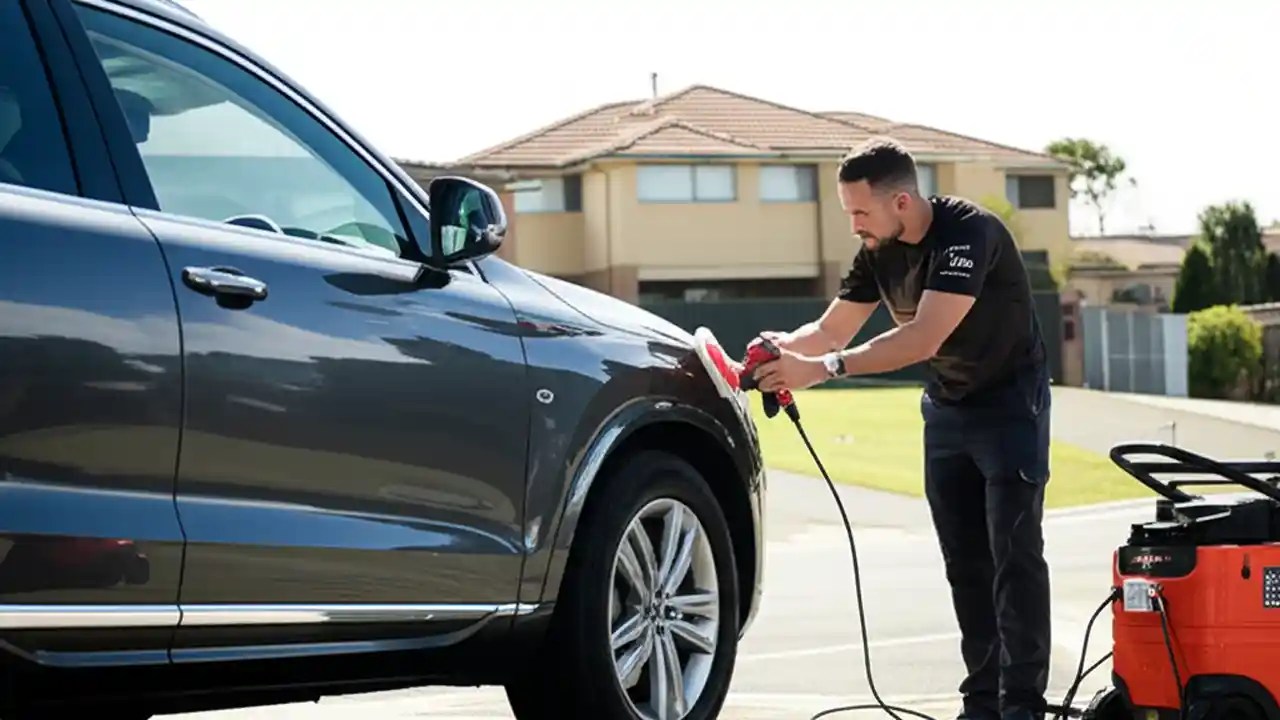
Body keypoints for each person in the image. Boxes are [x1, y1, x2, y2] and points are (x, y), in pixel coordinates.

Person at [751, 138, 1053, 720]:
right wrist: (778, 349)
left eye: (860, 213)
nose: (854, 226)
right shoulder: (877, 251)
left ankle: (1022, 706)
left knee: (1013, 555)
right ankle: (982, 704)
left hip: (1011, 405)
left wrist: (824, 370)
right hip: (945, 409)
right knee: (965, 563)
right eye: (848, 214)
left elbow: (920, 338)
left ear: (903, 203)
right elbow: (829, 330)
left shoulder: (971, 233)